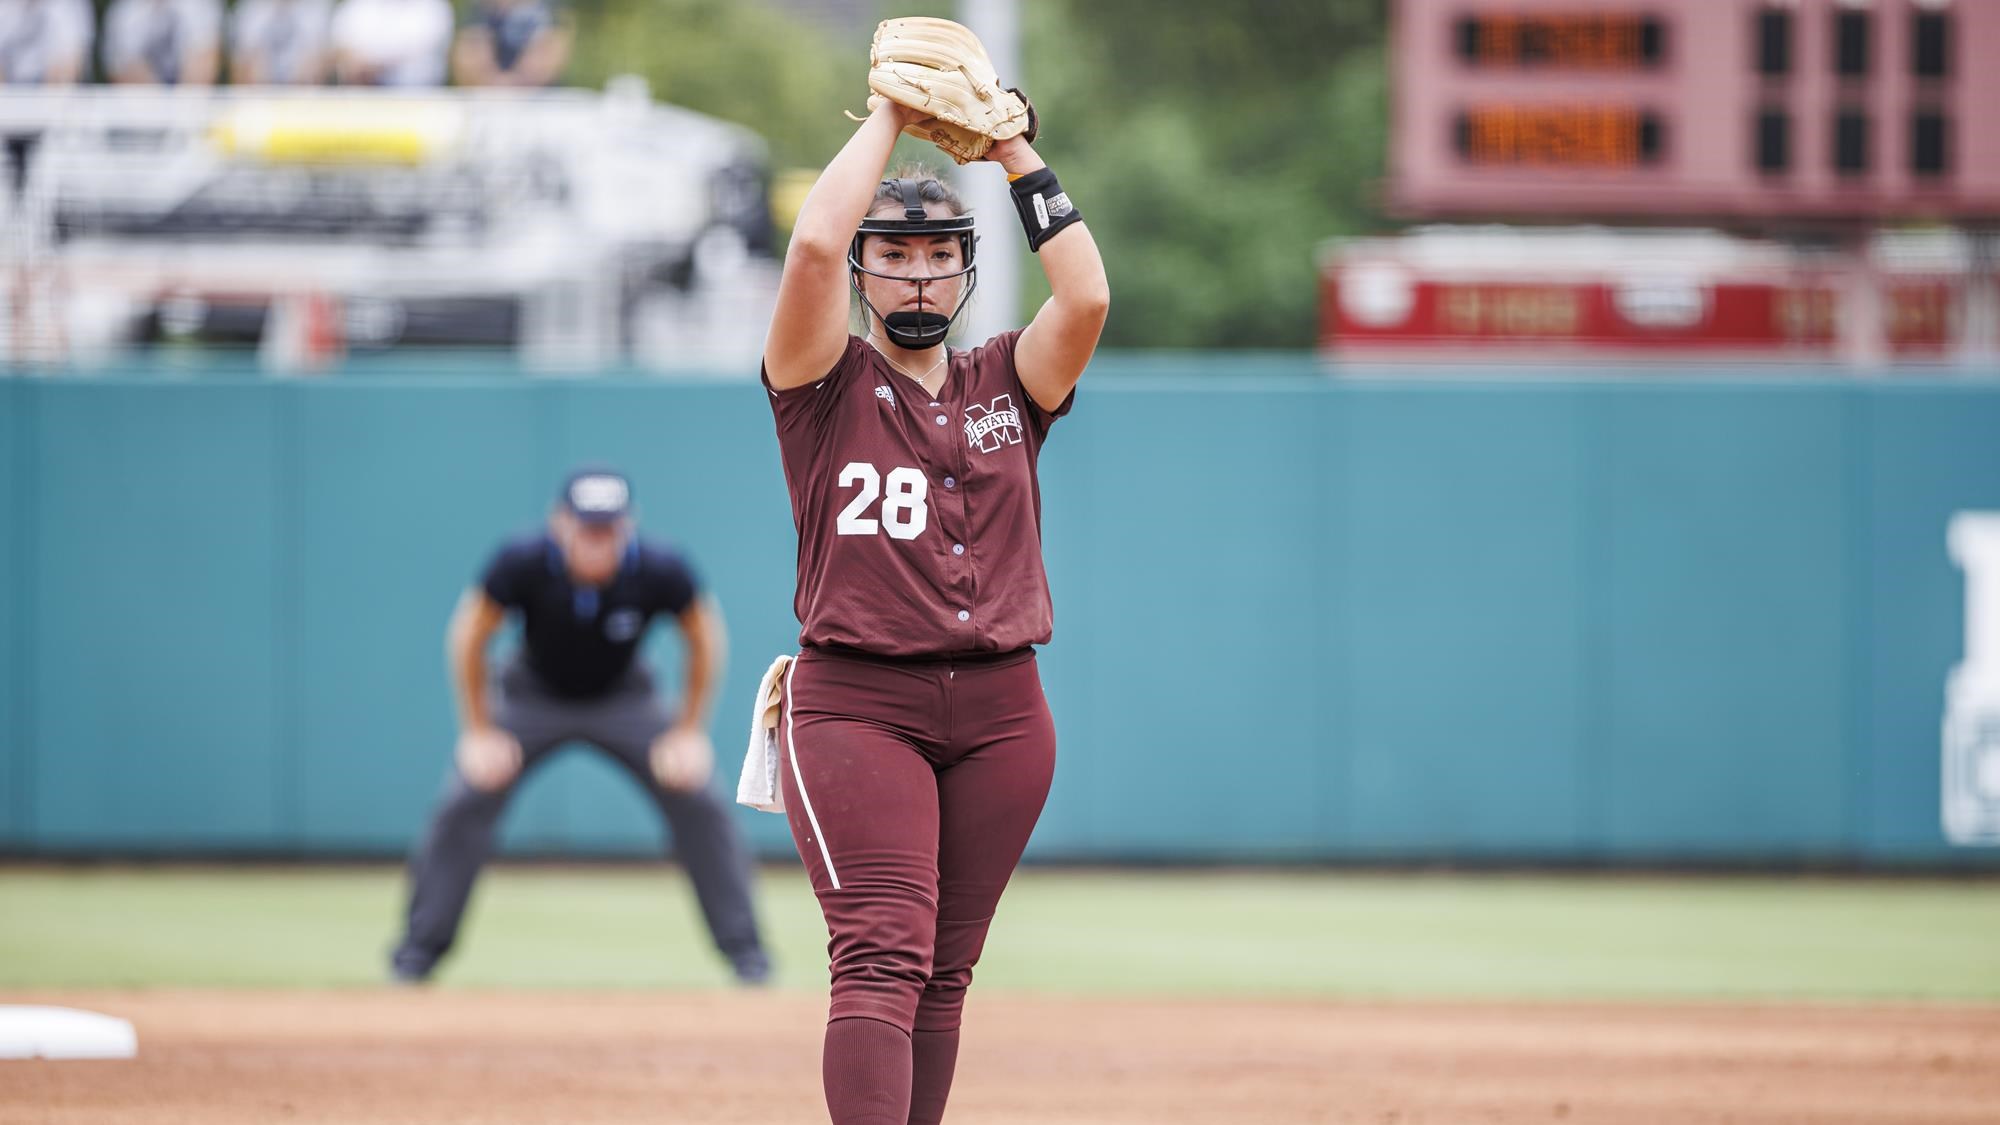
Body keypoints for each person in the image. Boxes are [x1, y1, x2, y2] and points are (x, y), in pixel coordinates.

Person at [758, 90, 1108, 1123]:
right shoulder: (819, 376)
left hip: (1004, 710)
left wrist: (1011, 148)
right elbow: (814, 247)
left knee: (942, 972)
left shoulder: (1005, 378)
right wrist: (885, 120)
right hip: (861, 702)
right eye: (895, 254)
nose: (916, 272)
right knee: (879, 951)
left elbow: (1083, 300)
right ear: (868, 269)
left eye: (935, 254)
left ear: (964, 266)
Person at [390, 467, 771, 986]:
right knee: (467, 797)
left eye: (608, 530)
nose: (597, 542)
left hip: (625, 697)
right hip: (532, 694)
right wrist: (478, 733)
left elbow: (704, 636)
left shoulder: (661, 568)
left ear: (627, 528)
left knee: (698, 797)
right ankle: (416, 956)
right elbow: (468, 633)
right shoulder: (520, 560)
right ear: (560, 525)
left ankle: (748, 956)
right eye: (586, 528)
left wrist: (688, 731)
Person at [327, 0, 449, 87]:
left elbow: (414, 46)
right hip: (363, 93)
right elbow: (340, 43)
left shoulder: (432, 6)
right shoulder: (357, 6)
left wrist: (370, 65)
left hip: (416, 94)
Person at [450, 0, 568, 88]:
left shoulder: (548, 8)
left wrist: (513, 85)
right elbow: (467, 56)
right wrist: (496, 84)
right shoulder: (477, 9)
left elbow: (549, 55)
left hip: (541, 103)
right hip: (486, 100)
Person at [100, 0, 219, 86]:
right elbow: (126, 73)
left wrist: (181, 113)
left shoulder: (199, 6)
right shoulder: (124, 12)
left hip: (187, 105)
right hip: (142, 109)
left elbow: (202, 68)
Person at [228, 0, 331, 86]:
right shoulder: (250, 11)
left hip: (301, 98)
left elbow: (318, 68)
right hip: (260, 98)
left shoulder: (315, 9)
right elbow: (240, 73)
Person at [0, 0, 94, 86]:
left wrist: (47, 101)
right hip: (11, 91)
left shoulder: (68, 5)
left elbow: (68, 68)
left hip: (49, 91)